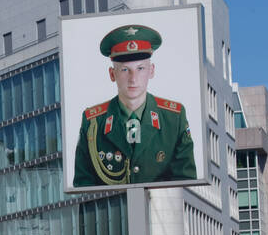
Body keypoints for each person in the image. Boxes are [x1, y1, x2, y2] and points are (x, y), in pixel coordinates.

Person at [71, 25, 196, 187]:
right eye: (124, 70)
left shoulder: (173, 118)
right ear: (112, 74)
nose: (133, 79)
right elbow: (84, 187)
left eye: (140, 69)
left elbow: (186, 185)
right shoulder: (93, 122)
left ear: (151, 71)